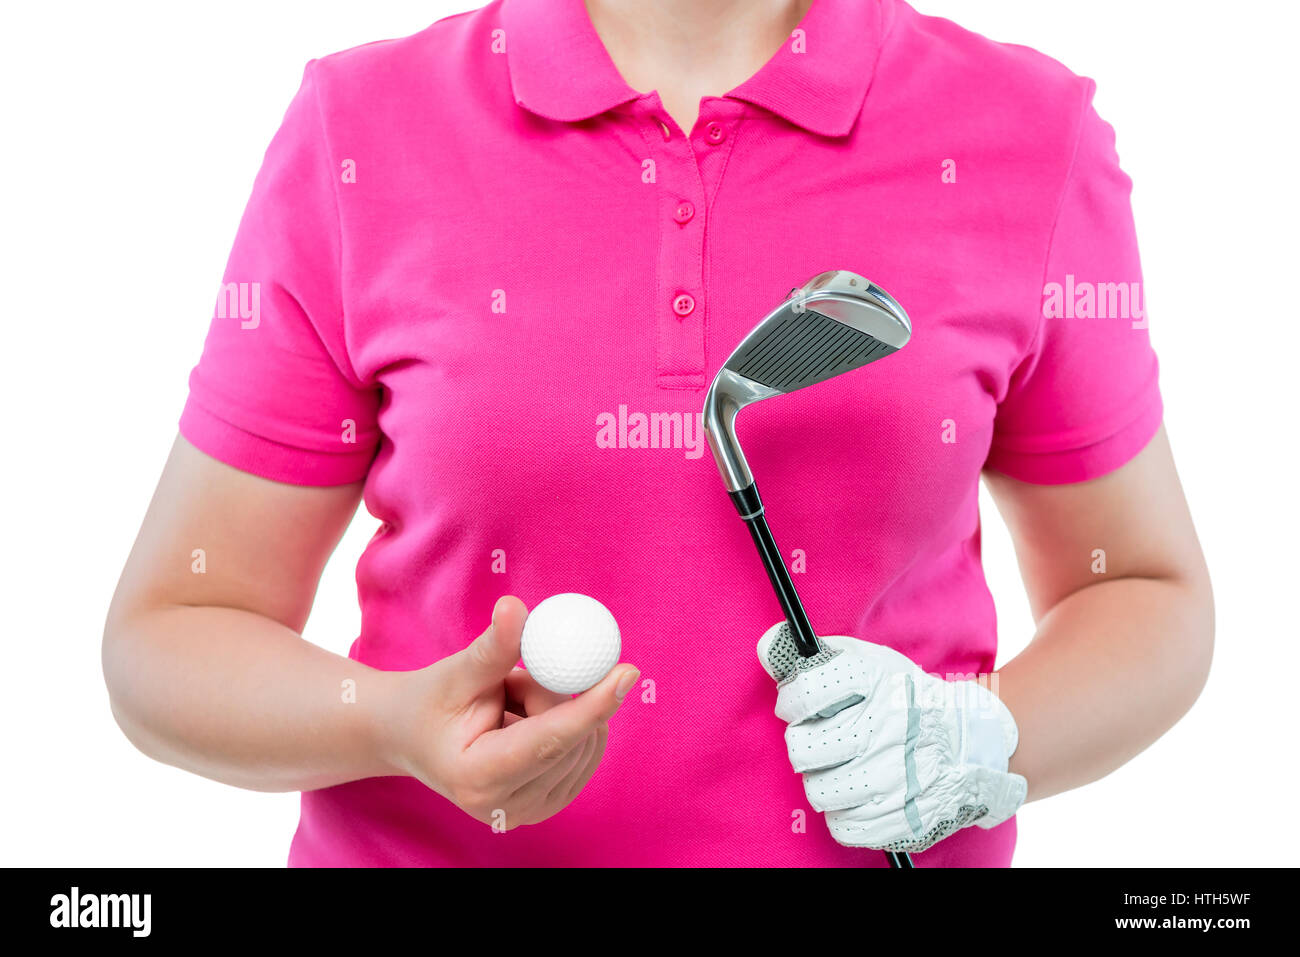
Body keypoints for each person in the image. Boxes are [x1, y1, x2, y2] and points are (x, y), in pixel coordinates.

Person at [103, 0, 1213, 866]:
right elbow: (173, 634)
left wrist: (978, 740)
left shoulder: (1028, 130)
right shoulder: (361, 124)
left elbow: (1147, 594)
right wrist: (393, 724)